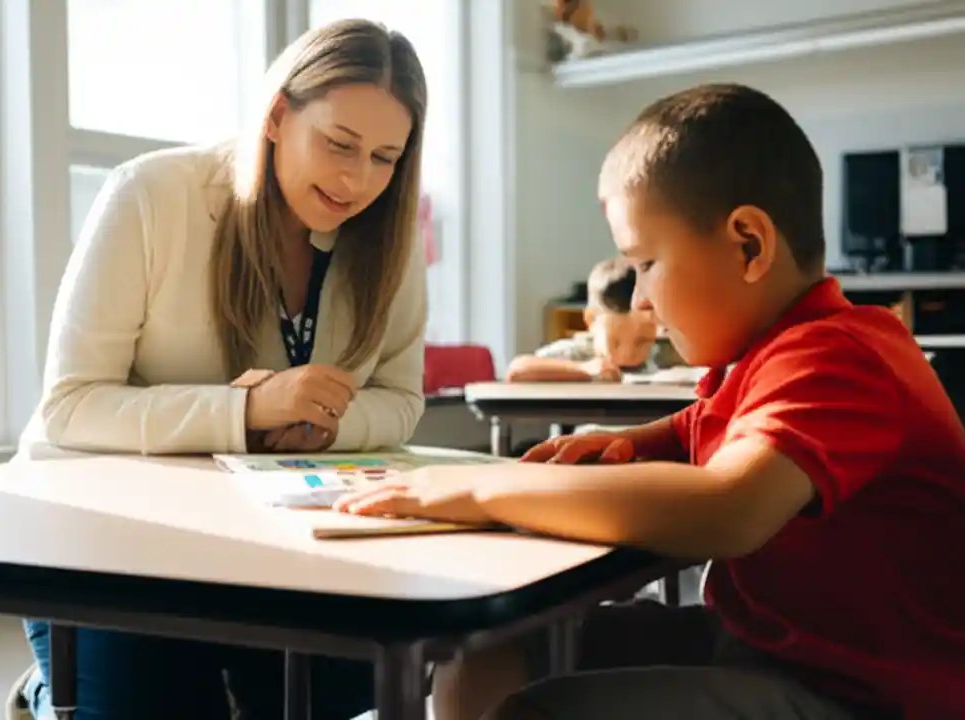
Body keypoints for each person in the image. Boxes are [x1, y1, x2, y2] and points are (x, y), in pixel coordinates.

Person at [335, 83, 965, 719]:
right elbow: (702, 426)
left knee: (541, 711)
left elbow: (731, 507)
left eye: (646, 262)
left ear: (749, 245)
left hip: (860, 696)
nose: (638, 300)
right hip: (767, 649)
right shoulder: (762, 356)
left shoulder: (841, 355)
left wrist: (484, 490)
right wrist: (640, 443)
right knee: (493, 645)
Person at [11, 18, 428, 719]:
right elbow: (72, 405)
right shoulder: (150, 194)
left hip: (278, 537)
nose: (358, 179)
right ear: (275, 115)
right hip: (106, 541)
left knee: (353, 692)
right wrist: (251, 408)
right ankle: (49, 693)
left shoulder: (387, 238)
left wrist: (327, 423)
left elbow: (399, 397)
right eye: (338, 144)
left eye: (386, 158)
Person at [506, 257, 657, 383]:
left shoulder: (652, 362)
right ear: (591, 321)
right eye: (615, 342)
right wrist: (583, 369)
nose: (628, 355)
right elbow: (517, 370)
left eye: (642, 342)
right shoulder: (575, 354)